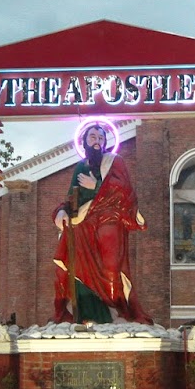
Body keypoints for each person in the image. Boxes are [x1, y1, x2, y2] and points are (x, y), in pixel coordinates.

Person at [52, 122, 153, 325]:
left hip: (109, 219)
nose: (97, 141)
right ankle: (88, 314)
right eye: (92, 137)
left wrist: (96, 185)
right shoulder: (80, 167)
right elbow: (72, 197)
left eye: (100, 138)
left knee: (111, 268)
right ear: (84, 141)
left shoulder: (115, 162)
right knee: (74, 267)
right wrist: (61, 210)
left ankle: (118, 310)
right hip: (83, 223)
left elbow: (126, 192)